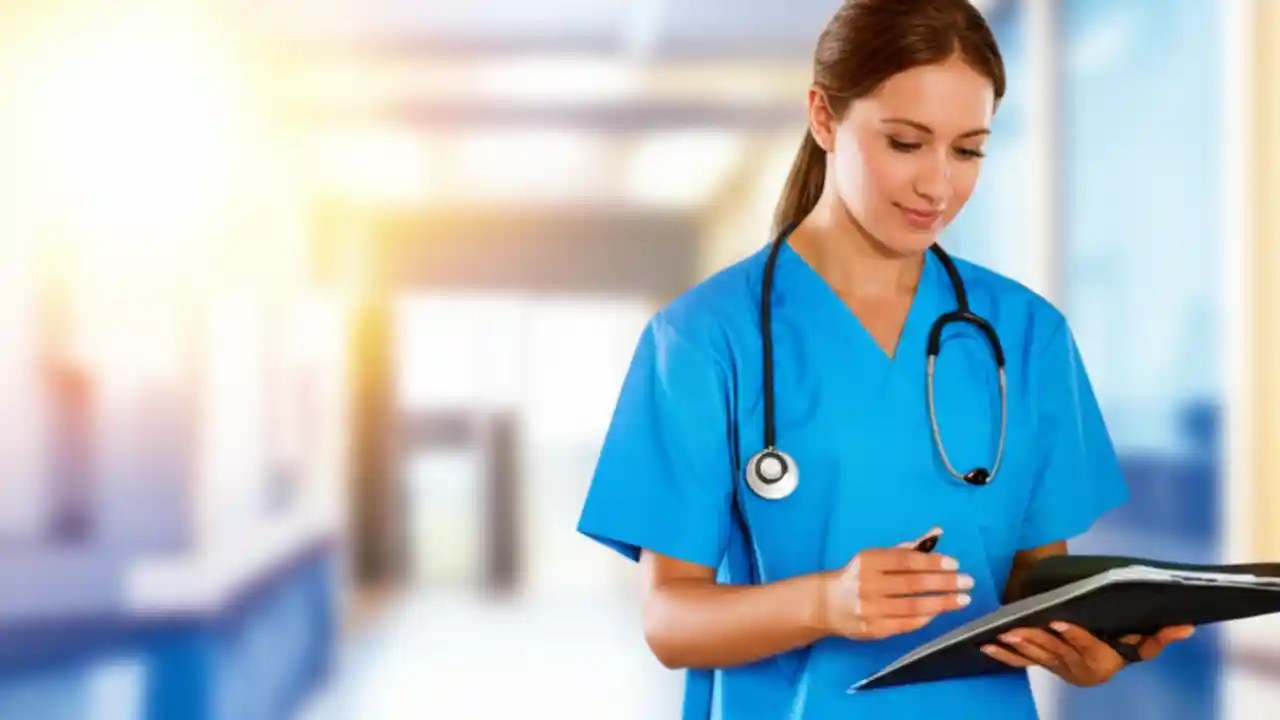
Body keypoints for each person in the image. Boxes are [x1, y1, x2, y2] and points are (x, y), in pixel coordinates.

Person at [575, 0, 1194, 717]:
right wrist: (826, 602)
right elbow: (669, 622)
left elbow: (1036, 581)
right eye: (906, 142)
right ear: (823, 117)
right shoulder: (705, 338)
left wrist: (1088, 650)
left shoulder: (1026, 336)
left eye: (968, 150)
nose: (939, 185)